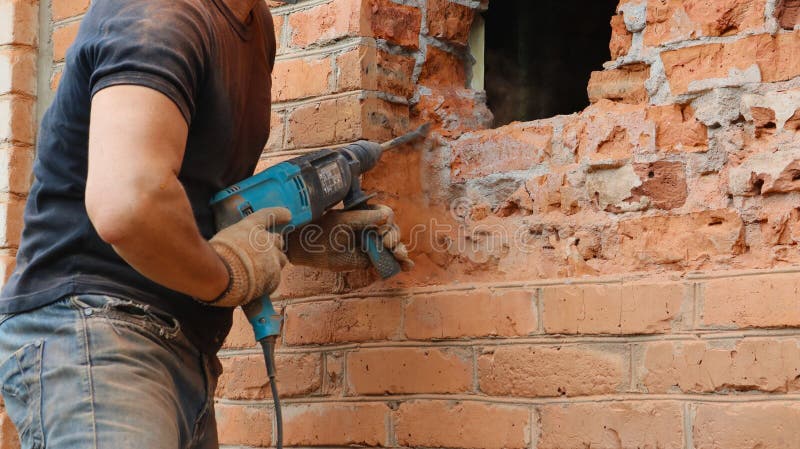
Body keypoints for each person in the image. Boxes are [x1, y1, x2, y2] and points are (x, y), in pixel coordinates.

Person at [0, 0, 412, 448]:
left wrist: (295, 238)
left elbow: (197, 198)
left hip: (180, 349)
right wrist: (229, 275)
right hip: (96, 331)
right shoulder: (159, 13)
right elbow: (128, 204)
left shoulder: (254, 29)